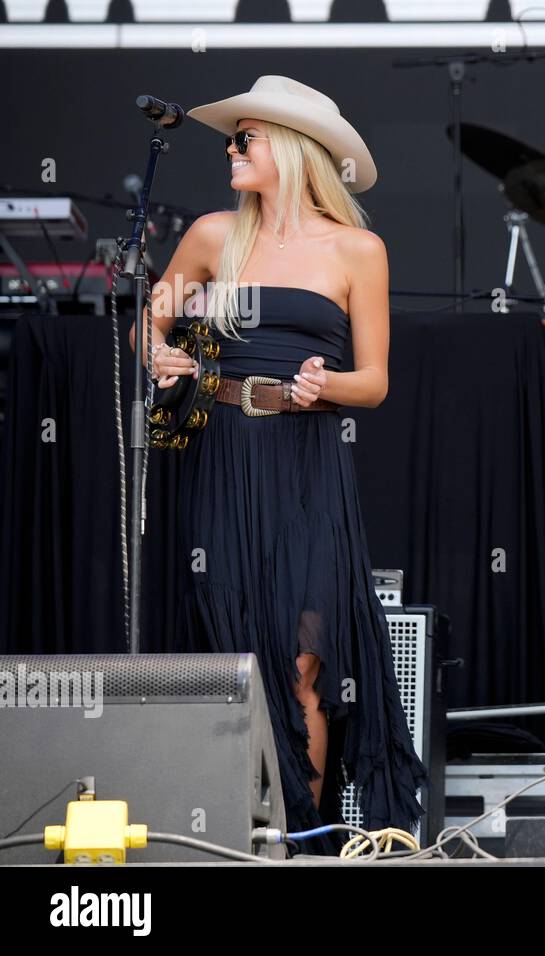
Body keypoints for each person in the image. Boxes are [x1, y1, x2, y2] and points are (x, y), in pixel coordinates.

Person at [130, 75, 425, 840]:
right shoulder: (210, 236)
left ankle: (303, 841)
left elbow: (376, 383)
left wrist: (329, 383)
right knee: (236, 664)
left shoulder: (358, 250)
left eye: (244, 138)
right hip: (222, 460)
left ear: (291, 152)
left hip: (307, 467)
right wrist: (159, 352)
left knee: (304, 666)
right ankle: (234, 837)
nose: (230, 149)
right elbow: (148, 323)